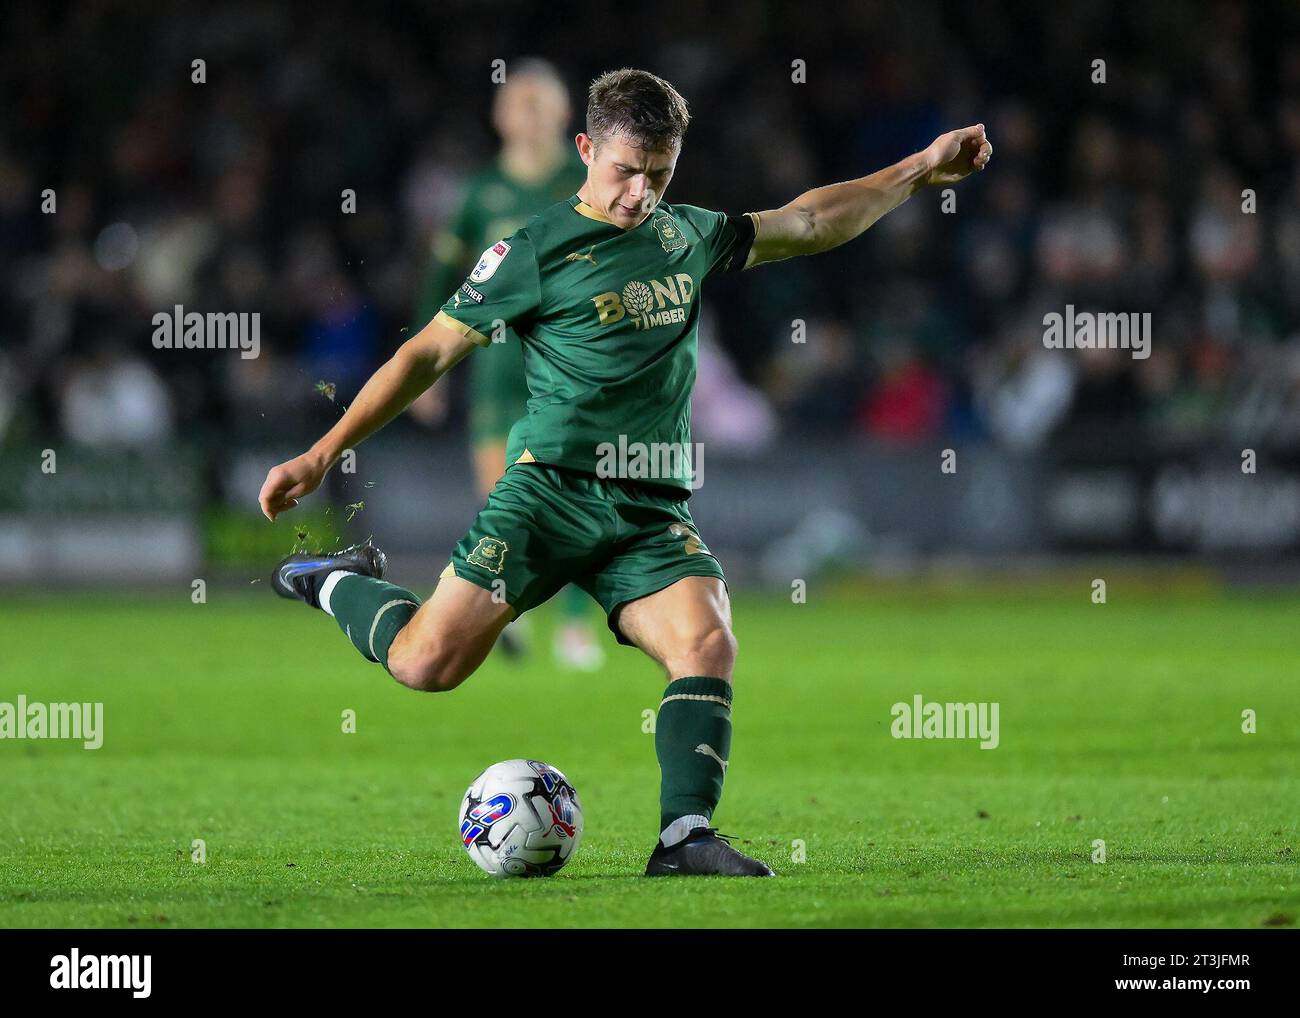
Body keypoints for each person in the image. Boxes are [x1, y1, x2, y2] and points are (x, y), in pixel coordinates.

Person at [260, 67, 991, 876]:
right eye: (624, 171)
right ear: (585, 150)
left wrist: (919, 168)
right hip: (546, 499)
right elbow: (427, 350)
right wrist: (322, 452)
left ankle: (684, 837)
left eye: (659, 173)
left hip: (647, 508)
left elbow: (810, 219)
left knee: (707, 641)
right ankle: (331, 579)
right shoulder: (532, 250)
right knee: (425, 665)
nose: (640, 192)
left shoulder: (687, 234)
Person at [410, 59, 602, 668]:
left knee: (574, 497)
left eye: (540, 103)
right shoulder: (478, 193)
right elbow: (443, 277)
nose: (529, 115)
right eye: (518, 102)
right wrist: (426, 370)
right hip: (496, 368)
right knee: (505, 500)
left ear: (564, 114)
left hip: (568, 365)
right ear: (499, 115)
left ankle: (574, 628)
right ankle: (507, 611)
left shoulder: (586, 182)